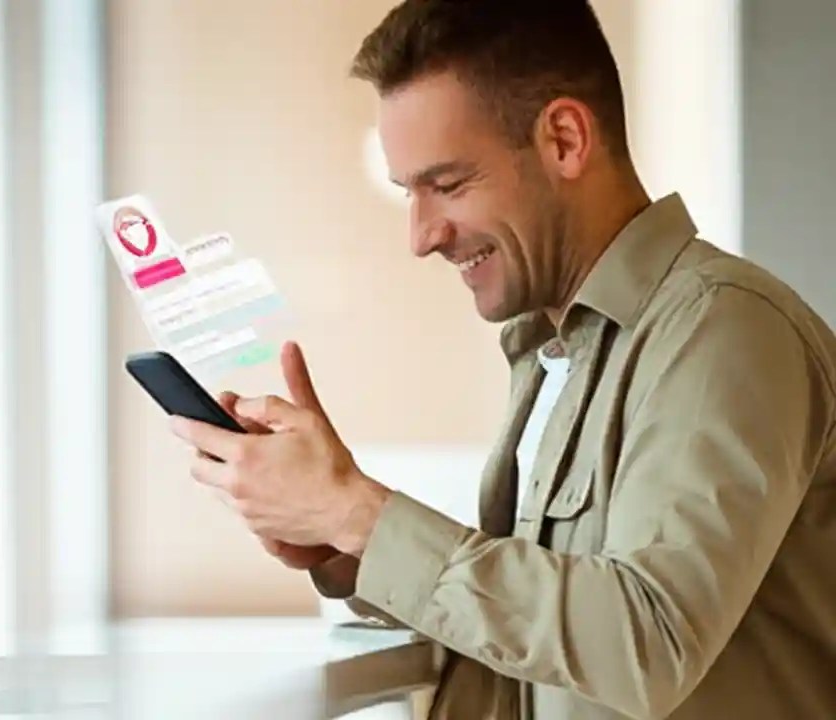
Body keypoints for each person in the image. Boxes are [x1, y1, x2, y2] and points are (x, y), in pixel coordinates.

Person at [168, 1, 836, 718]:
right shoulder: (556, 352)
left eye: (448, 185)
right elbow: (545, 639)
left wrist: (356, 512)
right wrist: (345, 545)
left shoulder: (723, 328)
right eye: (409, 193)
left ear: (565, 139)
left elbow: (649, 642)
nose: (421, 236)